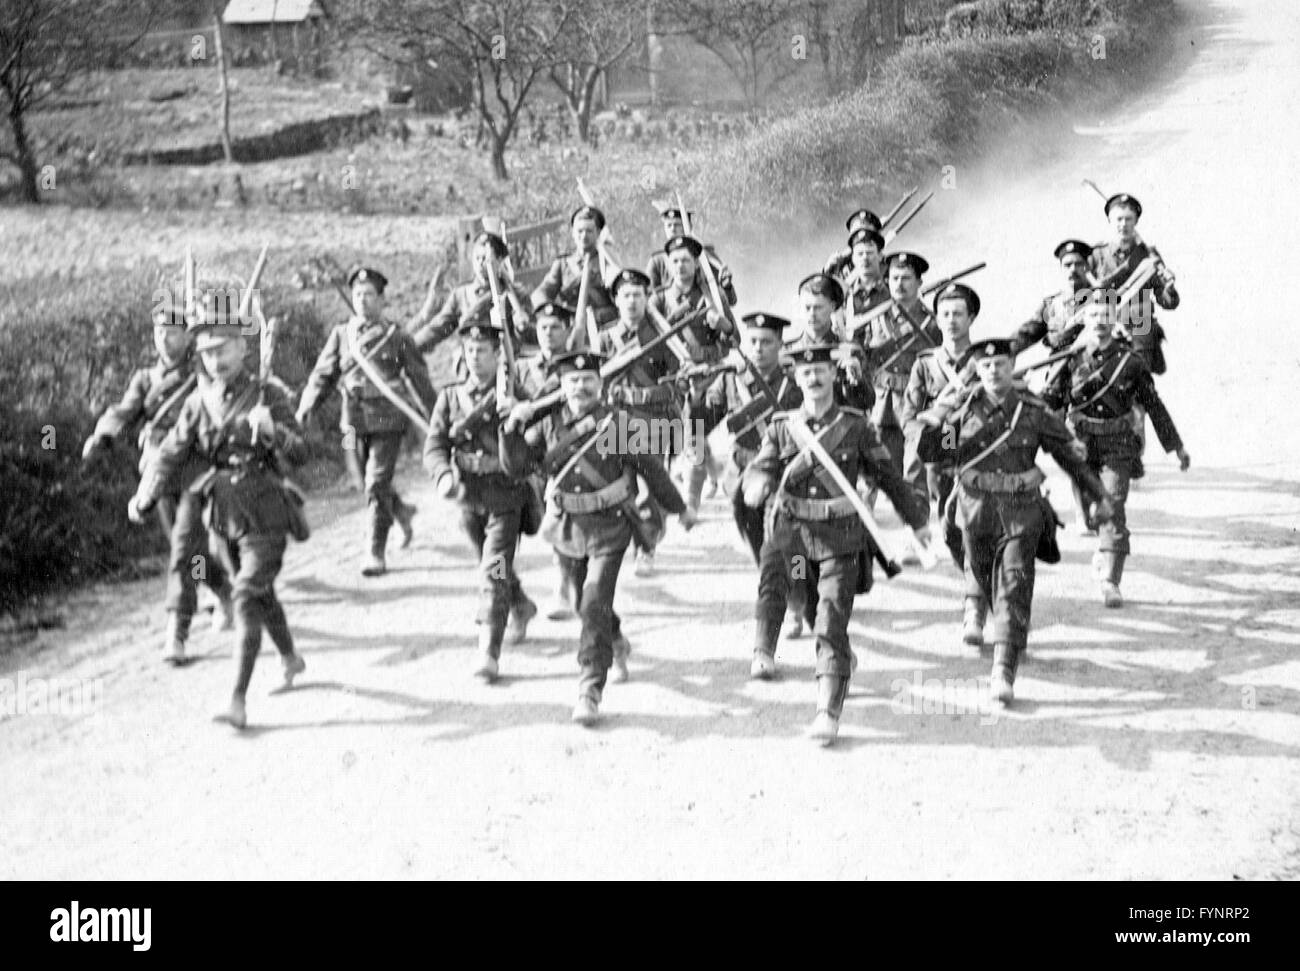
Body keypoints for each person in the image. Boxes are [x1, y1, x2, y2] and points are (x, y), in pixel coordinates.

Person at [128, 297, 309, 730]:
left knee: (245, 595)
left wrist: (274, 431)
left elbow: (303, 452)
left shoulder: (268, 394)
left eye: (224, 349)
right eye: (207, 352)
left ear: (243, 349)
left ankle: (237, 699)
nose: (216, 359)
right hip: (222, 519)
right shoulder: (197, 403)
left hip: (267, 511)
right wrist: (146, 495)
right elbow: (170, 453)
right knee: (261, 595)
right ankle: (291, 657)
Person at [740, 342, 930, 744]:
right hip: (792, 537)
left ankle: (828, 708)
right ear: (796, 378)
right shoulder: (781, 425)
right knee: (782, 582)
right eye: (806, 373)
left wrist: (916, 522)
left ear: (832, 375)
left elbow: (889, 478)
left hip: (840, 540)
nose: (814, 378)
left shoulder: (857, 427)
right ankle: (764, 650)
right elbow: (763, 465)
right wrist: (756, 484)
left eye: (821, 371)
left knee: (830, 616)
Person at [912, 339, 1116, 706]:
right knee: (986, 576)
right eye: (986, 366)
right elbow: (935, 457)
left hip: (1021, 511)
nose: (994, 371)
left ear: (1011, 368)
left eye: (1001, 364)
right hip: (975, 513)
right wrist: (937, 416)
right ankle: (993, 623)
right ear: (977, 370)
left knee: (1014, 585)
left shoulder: (1033, 412)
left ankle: (1003, 667)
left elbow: (1069, 458)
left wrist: (1099, 496)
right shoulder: (961, 413)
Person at [502, 351, 695, 724]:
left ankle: (589, 687)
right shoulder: (547, 424)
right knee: (584, 603)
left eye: (588, 379)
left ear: (600, 384)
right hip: (568, 528)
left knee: (593, 602)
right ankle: (616, 640)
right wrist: (511, 429)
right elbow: (519, 468)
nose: (581, 386)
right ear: (561, 386)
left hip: (611, 526)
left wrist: (679, 508)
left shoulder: (618, 423)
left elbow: (652, 471)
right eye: (573, 381)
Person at [85, 303, 233, 664]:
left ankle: (177, 634)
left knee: (183, 550)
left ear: (187, 336)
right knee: (187, 550)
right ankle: (225, 589)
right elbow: (125, 411)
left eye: (172, 332)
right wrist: (102, 435)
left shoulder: (202, 372)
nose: (164, 340)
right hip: (159, 471)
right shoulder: (145, 379)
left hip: (196, 470)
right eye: (159, 332)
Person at [1042, 292, 1190, 607]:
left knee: (1113, 506)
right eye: (1094, 314)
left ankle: (1110, 580)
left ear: (1116, 319)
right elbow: (1050, 406)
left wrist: (1175, 447)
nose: (1101, 321)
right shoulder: (1067, 360)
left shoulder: (1131, 361)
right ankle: (1102, 544)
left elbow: (1154, 406)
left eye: (1107, 314)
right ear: (1083, 319)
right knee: (1094, 513)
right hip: (1079, 447)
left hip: (1118, 445)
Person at [296, 267, 437, 577]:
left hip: (389, 420)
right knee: (363, 481)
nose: (362, 300)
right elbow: (323, 375)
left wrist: (438, 419)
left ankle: (375, 551)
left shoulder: (396, 336)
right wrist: (306, 407)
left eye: (369, 295)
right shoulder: (341, 335)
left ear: (382, 299)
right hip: (352, 423)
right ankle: (400, 510)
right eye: (358, 295)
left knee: (376, 482)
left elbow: (420, 381)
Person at [424, 321, 538, 681]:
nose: (475, 357)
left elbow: (535, 443)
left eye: (483, 350)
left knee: (493, 570)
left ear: (497, 356)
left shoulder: (515, 394)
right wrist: (442, 474)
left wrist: (516, 417)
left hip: (506, 495)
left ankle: (489, 648)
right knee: (493, 566)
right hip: (467, 498)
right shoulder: (450, 397)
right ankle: (520, 603)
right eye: (469, 350)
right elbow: (435, 446)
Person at [697, 312, 809, 638]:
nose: (759, 349)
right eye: (754, 342)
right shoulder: (731, 379)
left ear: (780, 345)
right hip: (742, 471)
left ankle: (796, 596)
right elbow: (704, 417)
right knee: (756, 538)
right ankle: (778, 584)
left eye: (767, 342)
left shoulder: (794, 382)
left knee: (787, 541)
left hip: (782, 470)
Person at [899, 283, 989, 646]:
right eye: (945, 314)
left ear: (971, 318)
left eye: (958, 314)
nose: (951, 321)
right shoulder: (925, 364)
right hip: (940, 462)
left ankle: (974, 609)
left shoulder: (985, 361)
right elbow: (908, 416)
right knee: (952, 532)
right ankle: (980, 582)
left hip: (977, 458)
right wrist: (929, 425)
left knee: (973, 532)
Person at [599, 268, 686, 577]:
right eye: (626, 295)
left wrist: (640, 396)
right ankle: (639, 543)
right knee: (625, 489)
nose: (632, 301)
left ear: (648, 298)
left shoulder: (663, 338)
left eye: (638, 294)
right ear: (616, 300)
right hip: (617, 423)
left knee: (654, 488)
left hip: (655, 422)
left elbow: (678, 385)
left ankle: (646, 547)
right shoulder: (606, 338)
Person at [1089, 193, 1180, 477]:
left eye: (1129, 219)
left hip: (1140, 322)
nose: (1123, 225)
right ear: (1109, 221)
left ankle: (1134, 450)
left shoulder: (1148, 254)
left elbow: (1169, 302)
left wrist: (1169, 288)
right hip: (1107, 323)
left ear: (1136, 221)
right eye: (1118, 219)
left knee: (1136, 392)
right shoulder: (1096, 255)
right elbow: (1082, 295)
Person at [649, 234, 735, 512]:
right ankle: (710, 476)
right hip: (674, 376)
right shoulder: (659, 300)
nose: (680, 265)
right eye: (675, 261)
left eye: (686, 260)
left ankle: (691, 498)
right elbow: (649, 342)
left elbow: (734, 342)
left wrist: (720, 323)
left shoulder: (712, 296)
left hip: (707, 374)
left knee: (693, 430)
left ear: (697, 264)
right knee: (686, 432)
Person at [514, 302, 582, 619]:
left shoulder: (578, 366)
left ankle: (564, 584)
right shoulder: (521, 368)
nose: (548, 333)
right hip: (529, 457)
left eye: (556, 327)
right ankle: (508, 594)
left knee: (562, 519)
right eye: (543, 327)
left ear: (567, 330)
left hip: (564, 452)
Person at [858, 252, 941, 484]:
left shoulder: (933, 323)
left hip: (915, 400)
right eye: (894, 278)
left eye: (906, 278)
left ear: (919, 283)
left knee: (917, 466)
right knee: (880, 463)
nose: (899, 284)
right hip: (881, 400)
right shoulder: (872, 319)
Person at [411, 231, 535, 355]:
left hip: (505, 358)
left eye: (485, 258)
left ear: (499, 260)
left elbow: (535, 334)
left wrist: (522, 327)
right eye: (477, 258)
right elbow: (437, 329)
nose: (481, 263)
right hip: (472, 360)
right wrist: (409, 348)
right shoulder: (461, 294)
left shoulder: (515, 295)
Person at [791, 272, 873, 413]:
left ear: (832, 307)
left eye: (818, 307)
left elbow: (867, 402)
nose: (812, 314)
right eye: (807, 307)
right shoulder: (791, 353)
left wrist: (857, 380)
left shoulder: (849, 350)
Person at [531, 205, 618, 329]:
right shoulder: (563, 264)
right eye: (580, 231)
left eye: (589, 231)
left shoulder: (608, 261)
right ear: (572, 233)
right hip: (571, 326)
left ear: (598, 233)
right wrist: (550, 312)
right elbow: (541, 293)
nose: (584, 236)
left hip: (605, 325)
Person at [1012, 239, 1093, 355]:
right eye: (1067, 265)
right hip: (1060, 366)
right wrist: (1004, 349)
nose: (1073, 269)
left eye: (1079, 264)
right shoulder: (1051, 304)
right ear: (1061, 268)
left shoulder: (1103, 298)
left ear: (1087, 267)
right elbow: (1028, 333)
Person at [645, 202, 737, 301]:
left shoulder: (705, 256)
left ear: (688, 227)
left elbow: (730, 300)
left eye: (677, 225)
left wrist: (726, 287)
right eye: (668, 225)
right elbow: (648, 299)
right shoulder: (657, 261)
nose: (672, 229)